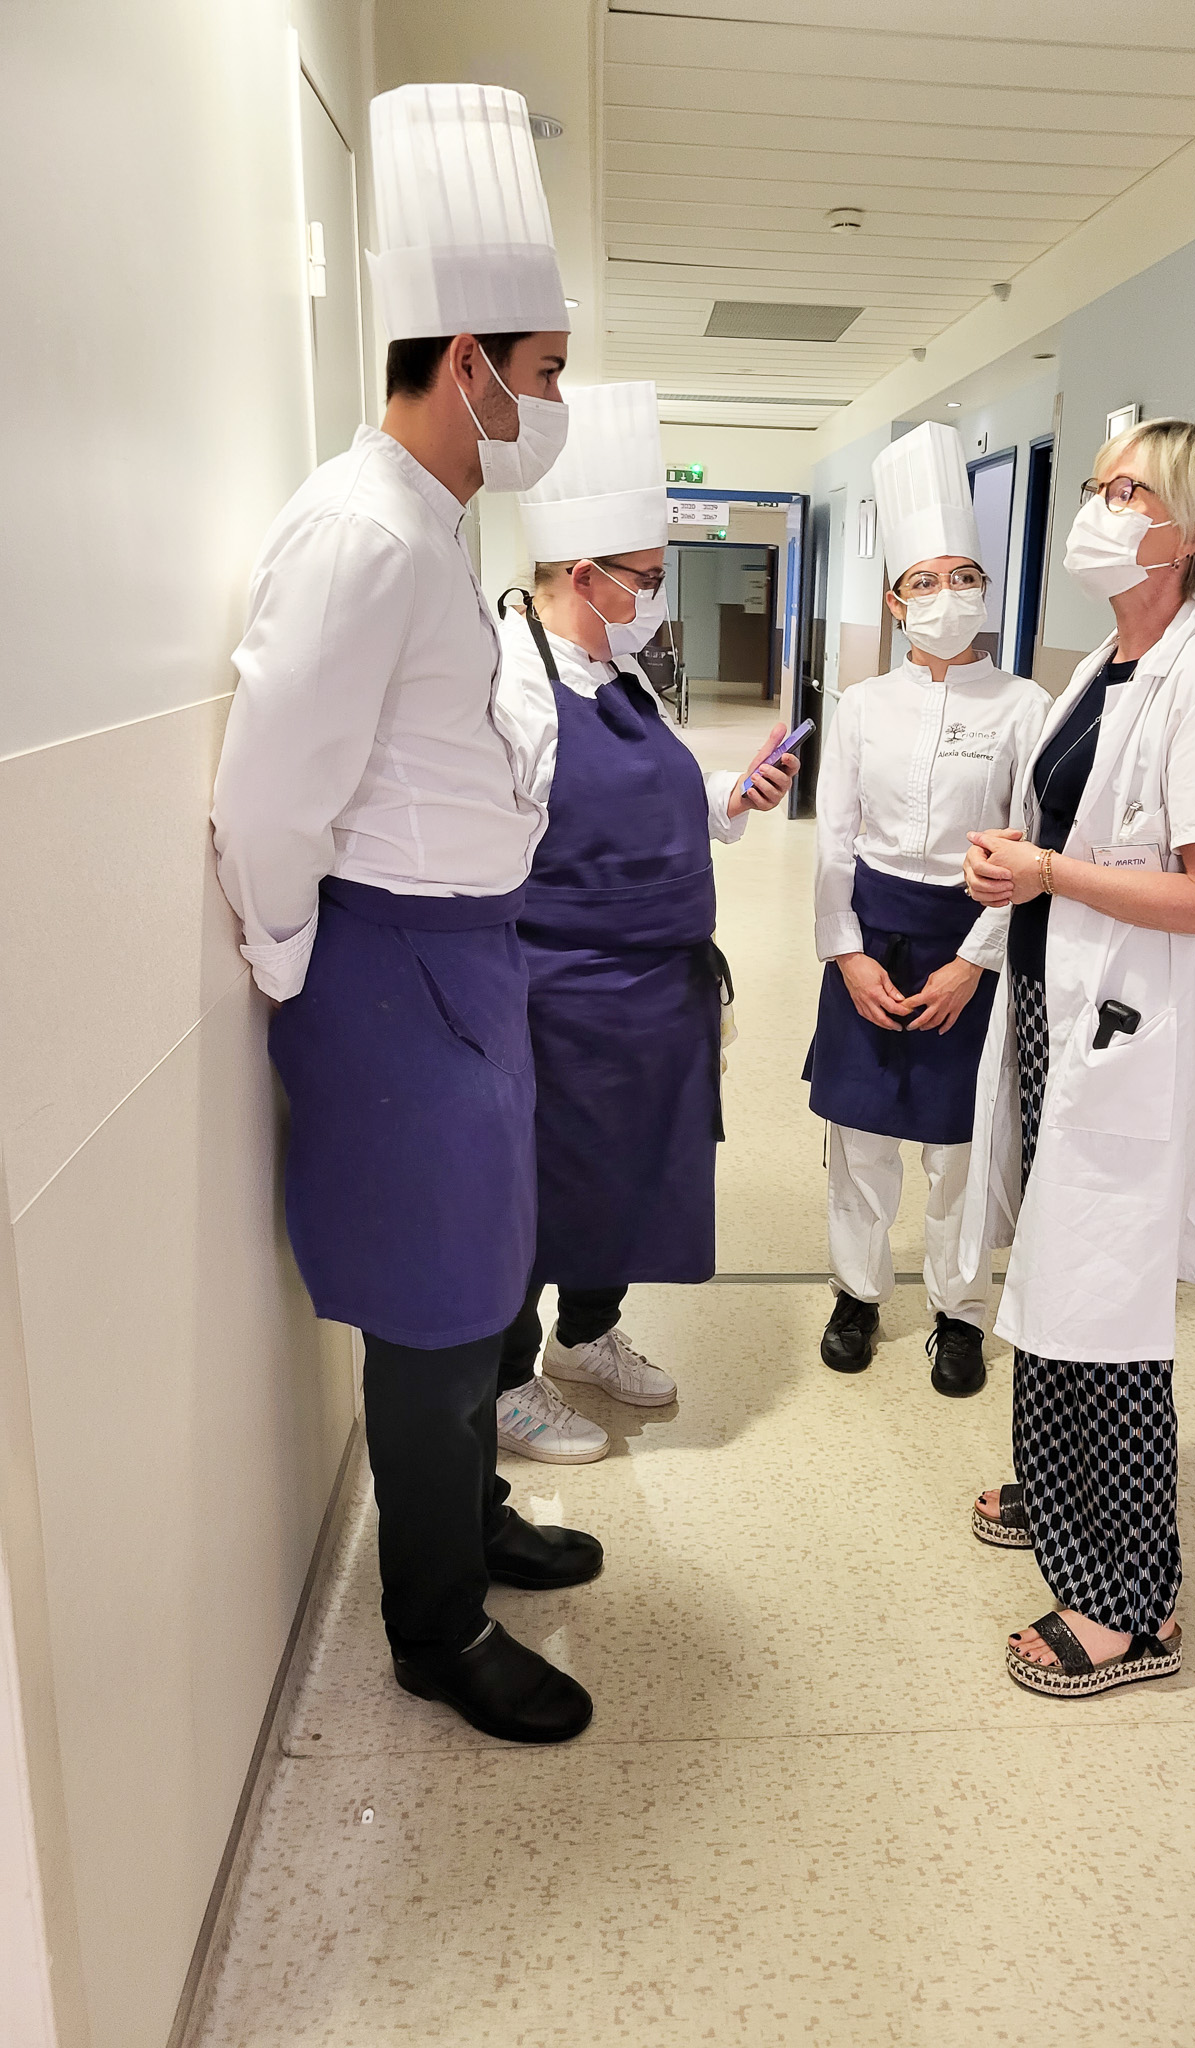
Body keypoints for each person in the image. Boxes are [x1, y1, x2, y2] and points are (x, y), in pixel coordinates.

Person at [212, 83, 602, 1746]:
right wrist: (306, 973)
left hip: (465, 962)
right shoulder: (362, 532)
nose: (554, 404)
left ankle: (475, 1523)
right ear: (468, 362)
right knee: (434, 1308)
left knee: (485, 1279)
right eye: (548, 370)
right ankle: (433, 1622)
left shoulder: (434, 529)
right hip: (386, 965)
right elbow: (268, 792)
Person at [960, 416, 1195, 1697]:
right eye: (1095, 484)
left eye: (1126, 489)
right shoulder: (1106, 659)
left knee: (1112, 1295)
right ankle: (1056, 1488)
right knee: (1052, 1256)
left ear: (1192, 531)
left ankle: (1131, 1604)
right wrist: (1017, 884)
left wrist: (1047, 871)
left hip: (1128, 1034)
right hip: (1056, 1005)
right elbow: (1067, 834)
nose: (1097, 504)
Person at [493, 380, 799, 1464]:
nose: (659, 599)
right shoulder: (511, 689)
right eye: (650, 579)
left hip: (652, 992)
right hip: (560, 997)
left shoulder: (612, 667)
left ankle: (586, 1336)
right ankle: (506, 1383)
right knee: (542, 1186)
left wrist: (729, 794)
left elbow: (650, 800)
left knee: (621, 1175)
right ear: (583, 575)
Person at [804, 422, 1049, 1395]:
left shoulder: (1024, 705)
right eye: (927, 580)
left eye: (964, 576)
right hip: (872, 927)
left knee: (960, 1144)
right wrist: (846, 954)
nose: (948, 597)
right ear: (897, 597)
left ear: (984, 588)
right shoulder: (864, 707)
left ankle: (958, 1310)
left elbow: (1032, 849)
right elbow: (831, 842)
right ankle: (856, 1294)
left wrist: (975, 960)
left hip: (964, 938)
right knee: (859, 1139)